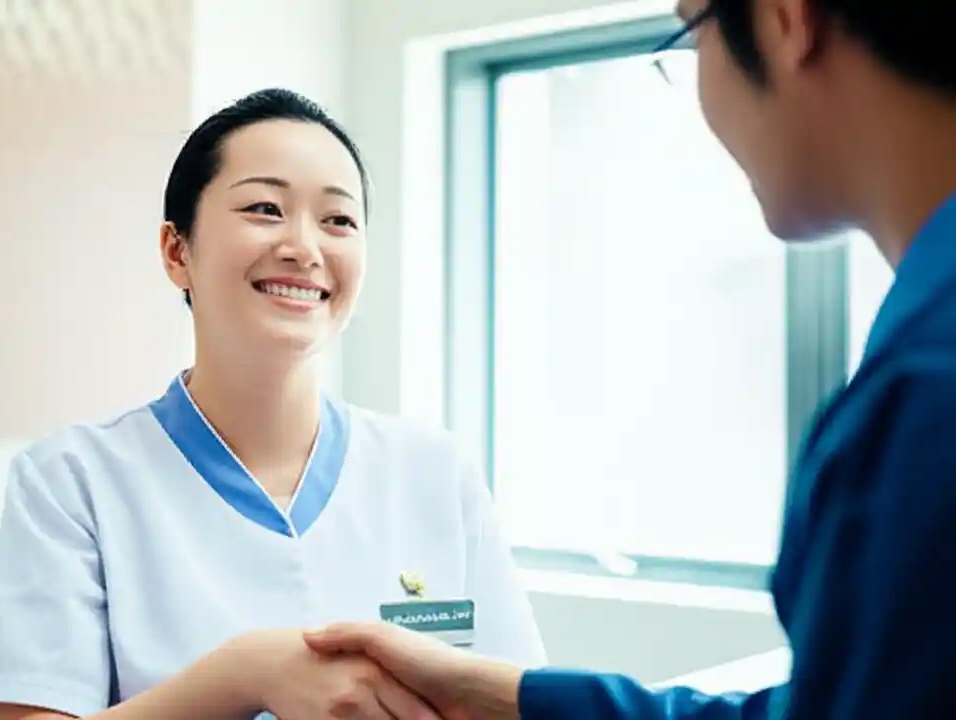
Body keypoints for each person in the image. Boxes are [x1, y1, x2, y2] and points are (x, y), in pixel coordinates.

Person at [303, 0, 956, 718]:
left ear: (785, 19)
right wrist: (508, 700)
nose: (304, 250)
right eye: (262, 209)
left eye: (690, 31)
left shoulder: (924, 396)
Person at [0, 88, 547, 720]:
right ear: (176, 251)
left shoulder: (434, 471)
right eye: (265, 208)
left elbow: (516, 703)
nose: (305, 247)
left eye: (338, 220)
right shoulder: (73, 481)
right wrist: (246, 675)